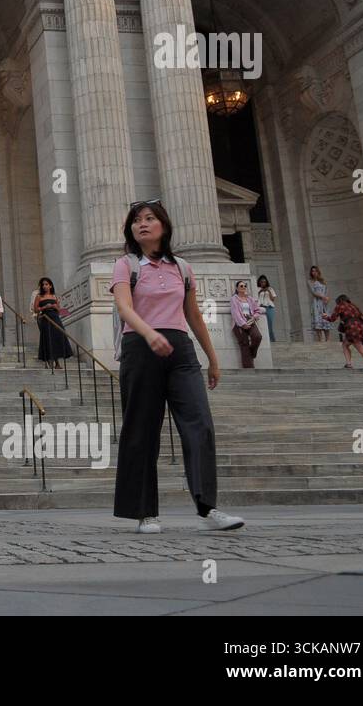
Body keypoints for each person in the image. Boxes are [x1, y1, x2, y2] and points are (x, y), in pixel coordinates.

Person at [111, 200, 244, 534]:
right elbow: (124, 308)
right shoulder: (126, 265)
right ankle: (146, 513)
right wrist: (148, 333)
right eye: (136, 220)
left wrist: (213, 359)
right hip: (140, 348)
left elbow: (194, 315)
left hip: (181, 352)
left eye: (150, 218)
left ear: (164, 226)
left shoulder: (182, 268)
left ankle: (208, 506)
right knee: (142, 430)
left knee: (199, 424)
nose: (142, 224)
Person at [324, 295, 363, 374]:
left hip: (352, 328)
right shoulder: (353, 306)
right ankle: (348, 364)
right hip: (360, 327)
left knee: (360, 348)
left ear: (339, 300)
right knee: (345, 344)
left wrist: (325, 317)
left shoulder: (340, 306)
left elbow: (332, 319)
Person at [32, 278, 72, 370]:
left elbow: (59, 310)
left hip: (55, 317)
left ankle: (57, 362)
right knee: (48, 338)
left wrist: (54, 306)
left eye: (46, 284)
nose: (44, 286)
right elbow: (35, 309)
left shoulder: (54, 296)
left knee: (57, 337)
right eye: (43, 285)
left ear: (50, 285)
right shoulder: (39, 296)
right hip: (45, 318)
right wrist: (44, 307)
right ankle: (49, 360)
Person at [230, 280, 265, 369]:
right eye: (241, 286)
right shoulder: (234, 299)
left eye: (245, 286)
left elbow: (258, 310)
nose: (243, 287)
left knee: (257, 336)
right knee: (244, 344)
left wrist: (254, 316)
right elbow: (235, 313)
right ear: (237, 288)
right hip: (239, 324)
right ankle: (249, 368)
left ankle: (252, 353)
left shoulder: (250, 299)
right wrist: (242, 324)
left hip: (250, 320)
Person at [309, 265, 332, 342]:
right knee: (317, 319)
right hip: (317, 302)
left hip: (324, 303)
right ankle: (320, 339)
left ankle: (328, 339)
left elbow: (327, 291)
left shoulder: (323, 281)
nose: (314, 272)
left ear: (318, 272)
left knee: (326, 319)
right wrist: (323, 297)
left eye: (315, 271)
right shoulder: (310, 281)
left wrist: (327, 298)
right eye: (312, 271)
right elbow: (313, 292)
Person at [256, 275, 278, 342]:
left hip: (269, 307)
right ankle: (264, 339)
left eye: (264, 282)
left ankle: (272, 339)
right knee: (261, 324)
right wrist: (260, 291)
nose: (263, 283)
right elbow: (255, 298)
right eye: (262, 282)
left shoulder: (270, 289)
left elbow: (273, 299)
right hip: (260, 308)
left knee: (270, 323)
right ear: (259, 282)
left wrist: (268, 290)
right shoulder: (257, 289)